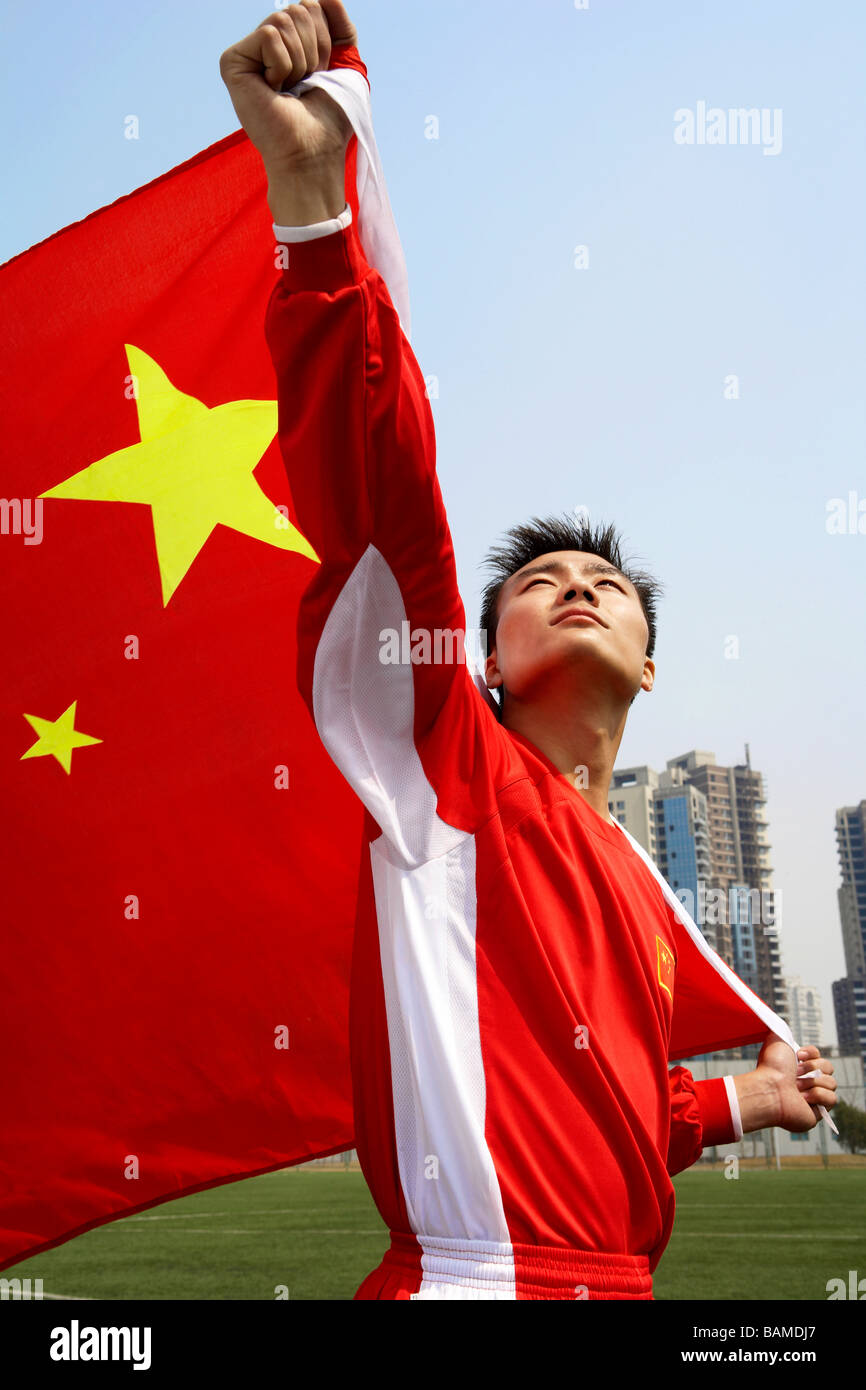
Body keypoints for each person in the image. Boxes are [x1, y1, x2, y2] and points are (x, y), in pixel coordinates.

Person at [220, 1, 838, 1300]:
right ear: (478, 657)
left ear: (650, 663)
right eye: (539, 580)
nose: (576, 584)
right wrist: (314, 208)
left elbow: (612, 1117)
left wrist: (750, 1103)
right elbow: (383, 510)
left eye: (605, 581)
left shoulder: (634, 876)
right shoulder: (449, 770)